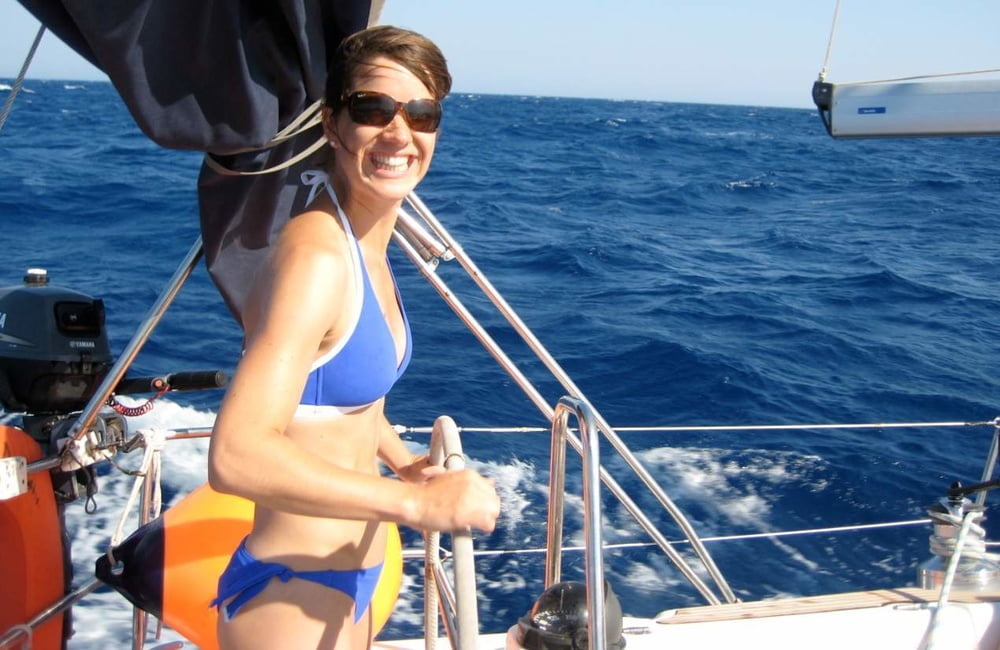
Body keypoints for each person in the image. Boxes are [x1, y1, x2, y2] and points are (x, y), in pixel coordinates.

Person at [207, 25, 501, 650]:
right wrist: (415, 507)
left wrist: (403, 462)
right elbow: (235, 455)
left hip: (352, 575)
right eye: (373, 110)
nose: (400, 133)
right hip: (292, 595)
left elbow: (339, 400)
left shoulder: (365, 241)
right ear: (333, 125)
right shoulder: (318, 259)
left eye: (421, 114)